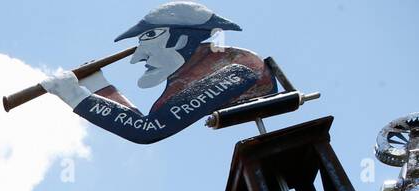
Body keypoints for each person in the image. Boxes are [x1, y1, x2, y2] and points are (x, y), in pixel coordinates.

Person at [39, 1, 275, 144]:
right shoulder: (181, 82)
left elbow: (148, 131)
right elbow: (143, 122)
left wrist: (74, 95)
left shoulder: (239, 69)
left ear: (182, 38)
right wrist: (97, 84)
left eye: (150, 37)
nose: (138, 57)